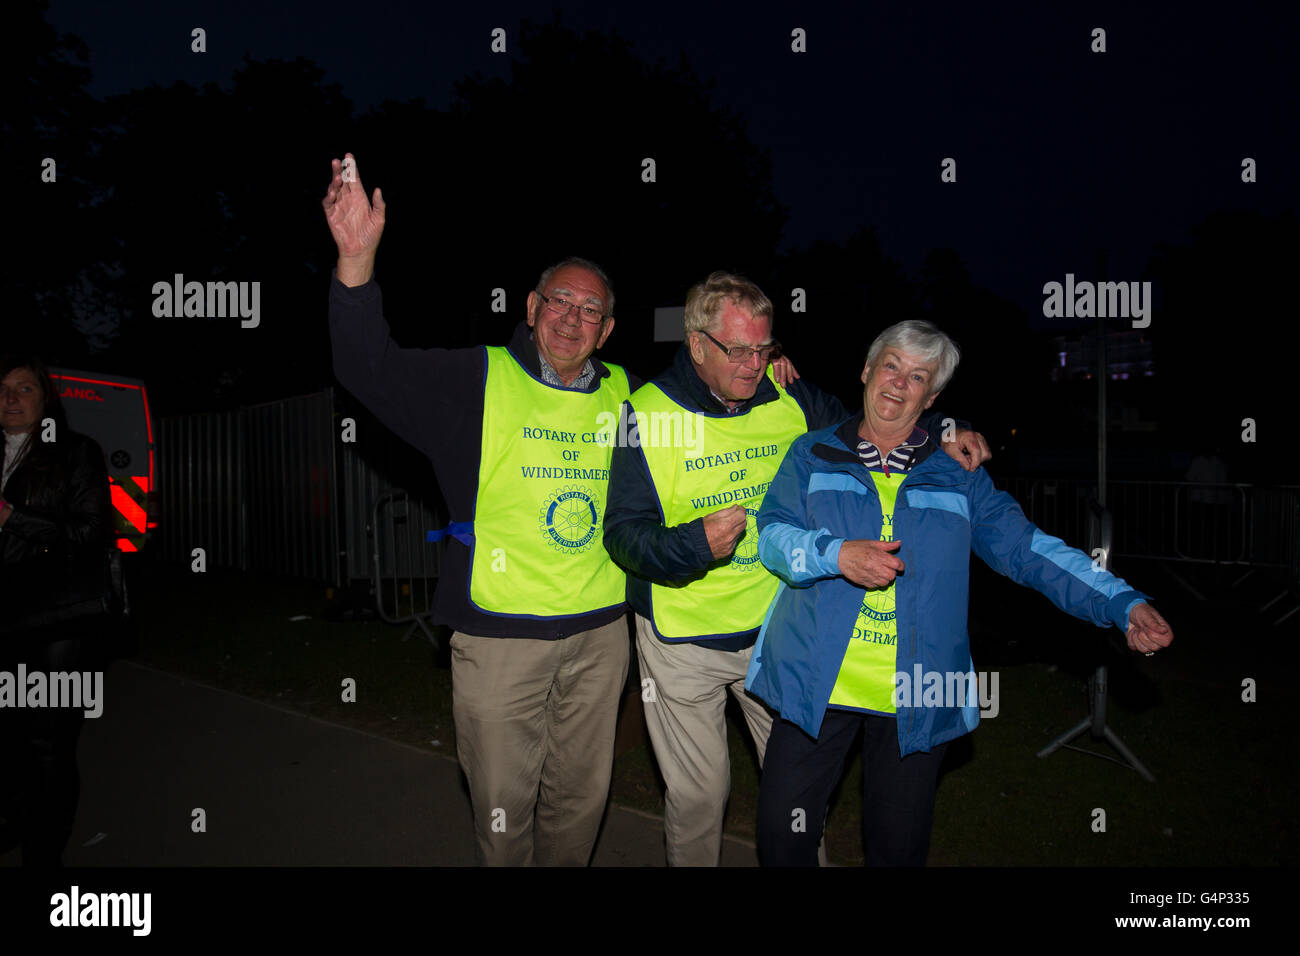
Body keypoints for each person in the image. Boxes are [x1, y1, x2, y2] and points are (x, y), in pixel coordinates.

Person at [746, 319, 1174, 866]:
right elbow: (772, 538)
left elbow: (1029, 550)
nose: (899, 383)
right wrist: (836, 554)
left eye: (918, 377)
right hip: (813, 685)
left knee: (897, 851)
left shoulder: (958, 474)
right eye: (891, 366)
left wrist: (1120, 601)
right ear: (867, 371)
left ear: (932, 397)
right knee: (782, 841)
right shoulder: (811, 454)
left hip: (919, 695)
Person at [602, 274, 990, 865]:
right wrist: (694, 545)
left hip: (778, 636)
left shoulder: (791, 397)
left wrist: (943, 429)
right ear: (697, 343)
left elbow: (872, 425)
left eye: (764, 348)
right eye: (739, 349)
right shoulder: (646, 413)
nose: (754, 364)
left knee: (800, 798)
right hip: (684, 641)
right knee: (699, 798)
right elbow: (623, 534)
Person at [0, 356, 113, 866]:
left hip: (56, 621)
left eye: (25, 388)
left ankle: (43, 856)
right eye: (3, 389)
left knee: (48, 742)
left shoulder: (74, 453)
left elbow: (90, 535)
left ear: (46, 400)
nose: (11, 398)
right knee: (10, 740)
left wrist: (12, 517)